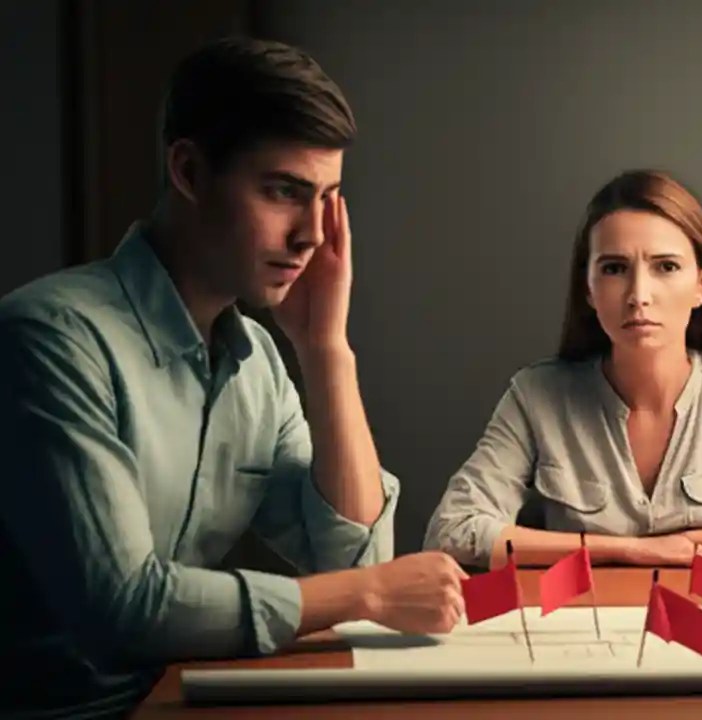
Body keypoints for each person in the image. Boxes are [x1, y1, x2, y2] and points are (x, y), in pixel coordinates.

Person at [0, 36, 467, 717]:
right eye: (284, 192)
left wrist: (327, 351)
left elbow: (349, 553)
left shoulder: (258, 362)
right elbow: (123, 608)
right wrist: (367, 595)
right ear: (189, 171)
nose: (311, 235)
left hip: (182, 700)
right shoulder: (50, 340)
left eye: (328, 200)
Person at [424, 170, 702, 571]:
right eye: (614, 269)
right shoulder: (535, 395)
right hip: (581, 636)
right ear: (589, 289)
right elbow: (451, 531)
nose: (639, 294)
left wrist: (693, 543)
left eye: (666, 267)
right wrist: (626, 550)